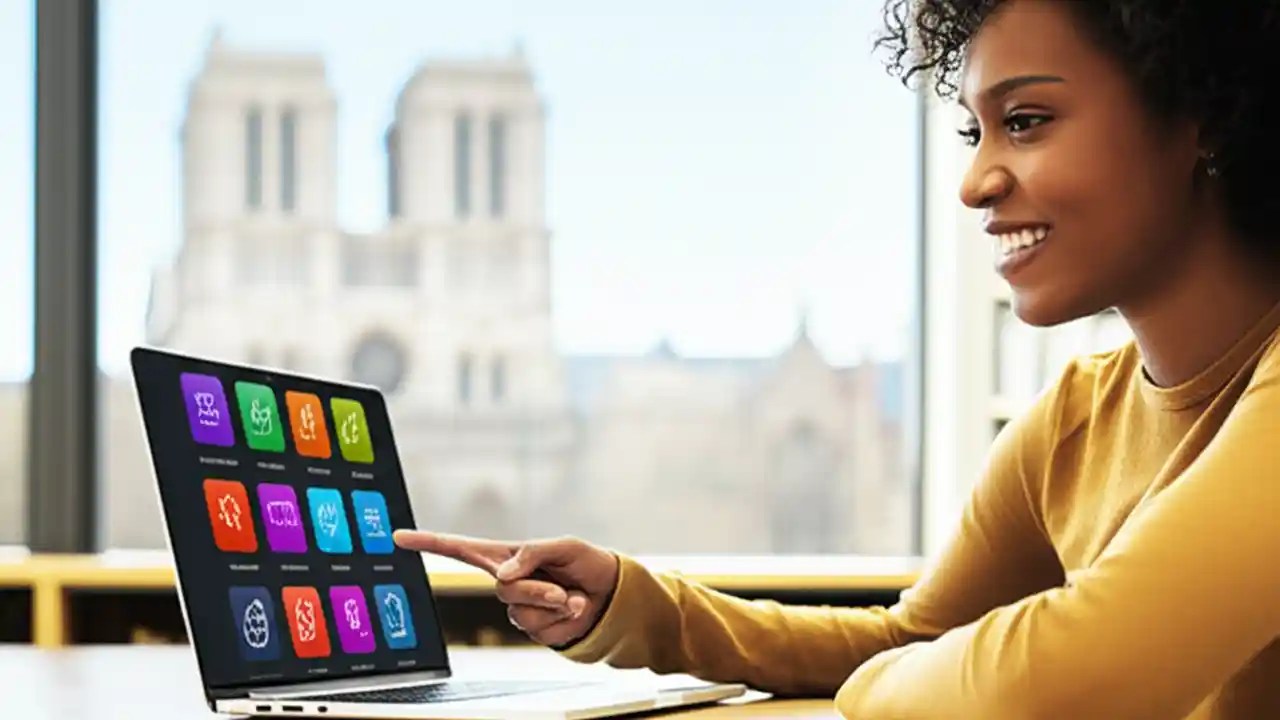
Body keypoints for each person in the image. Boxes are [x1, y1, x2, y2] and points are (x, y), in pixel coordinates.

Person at [394, 1, 1280, 717]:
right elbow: (908, 643)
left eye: (1027, 120)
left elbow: (1062, 678)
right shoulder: (1077, 419)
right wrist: (631, 602)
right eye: (975, 135)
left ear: (1198, 114)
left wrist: (878, 690)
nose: (976, 182)